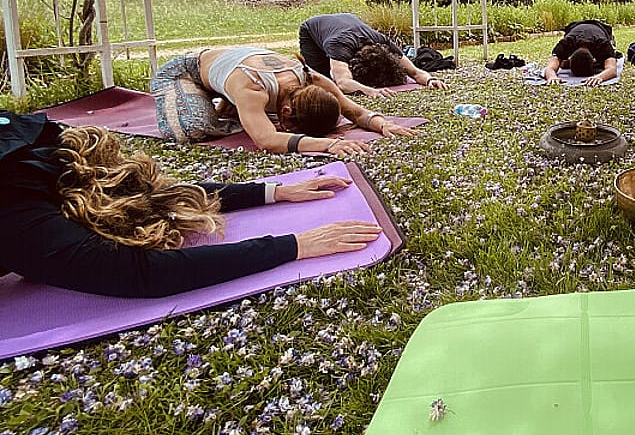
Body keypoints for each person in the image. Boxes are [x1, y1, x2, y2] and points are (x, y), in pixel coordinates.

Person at [0, 112, 383, 298]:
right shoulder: (18, 209)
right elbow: (136, 273)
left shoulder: (47, 145)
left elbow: (160, 194)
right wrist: (295, 245)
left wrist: (272, 192)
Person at [150, 47, 419, 157]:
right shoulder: (252, 88)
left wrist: (383, 125)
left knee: (234, 117)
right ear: (286, 113)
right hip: (185, 70)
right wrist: (330, 144)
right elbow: (266, 140)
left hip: (231, 69)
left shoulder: (314, 81)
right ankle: (217, 100)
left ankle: (226, 104)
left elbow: (354, 111)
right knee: (193, 130)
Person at [299, 13, 448, 97]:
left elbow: (415, 72)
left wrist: (430, 80)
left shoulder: (382, 41)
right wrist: (370, 90)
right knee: (321, 82)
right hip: (312, 29)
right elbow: (343, 83)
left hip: (347, 21)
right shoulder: (339, 46)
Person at [543, 19, 620, 86]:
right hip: (575, 27)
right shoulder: (566, 43)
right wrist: (551, 77)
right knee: (562, 64)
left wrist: (600, 77)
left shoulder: (602, 44)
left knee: (611, 55)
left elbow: (612, 70)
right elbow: (550, 68)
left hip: (602, 28)